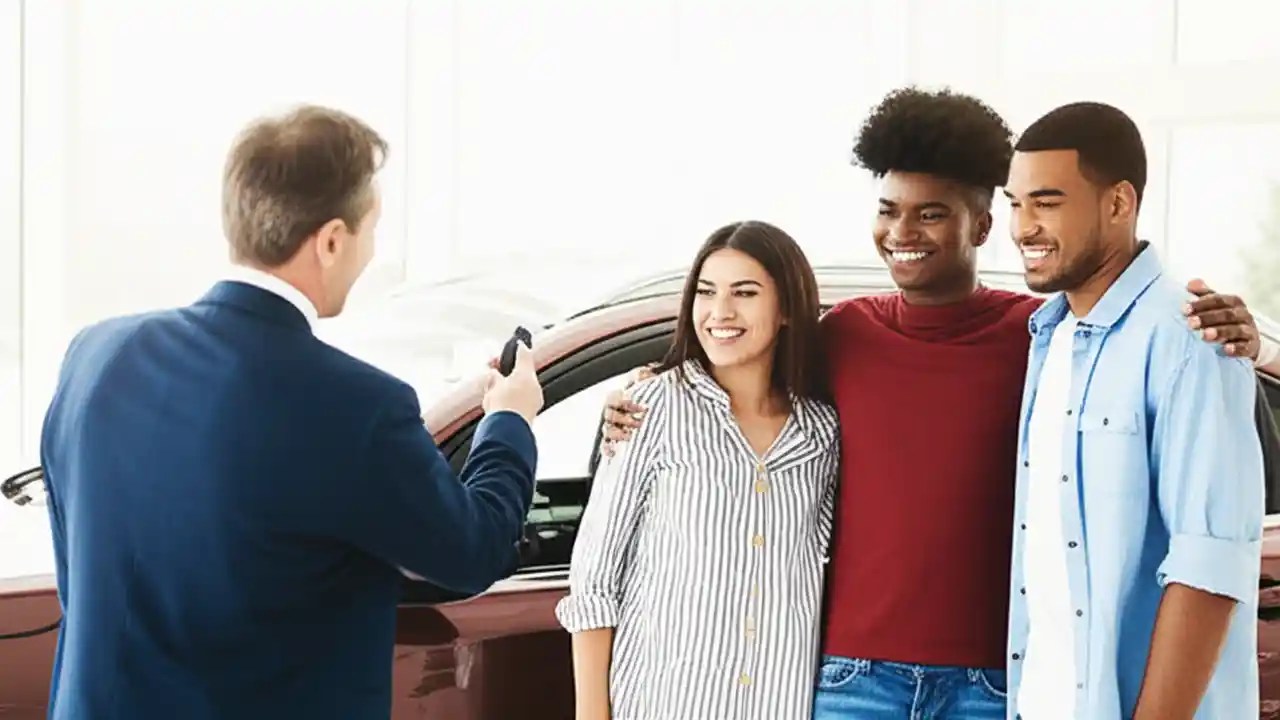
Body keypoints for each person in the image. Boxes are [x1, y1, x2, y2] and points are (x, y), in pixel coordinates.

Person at [600, 87, 1276, 719]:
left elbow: (1167, 369)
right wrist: (635, 398)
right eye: (889, 210)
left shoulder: (1042, 337)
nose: (904, 231)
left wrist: (1243, 336)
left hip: (995, 684)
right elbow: (735, 389)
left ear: (980, 225)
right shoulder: (842, 337)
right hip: (850, 679)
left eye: (931, 213)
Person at [37, 105, 544, 719]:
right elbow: (473, 551)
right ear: (331, 241)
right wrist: (509, 421)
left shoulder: (96, 356)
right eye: (370, 229)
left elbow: (79, 566)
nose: (372, 250)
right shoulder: (358, 407)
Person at [1005, 102, 1263, 719]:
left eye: (1046, 202)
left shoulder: (1191, 339)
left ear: (1119, 203)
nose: (1022, 227)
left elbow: (1209, 566)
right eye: (1014, 203)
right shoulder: (1050, 337)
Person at [555, 221, 842, 720]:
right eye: (706, 293)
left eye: (745, 293)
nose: (720, 312)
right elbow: (595, 581)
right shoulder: (651, 410)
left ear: (789, 309)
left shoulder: (821, 432)